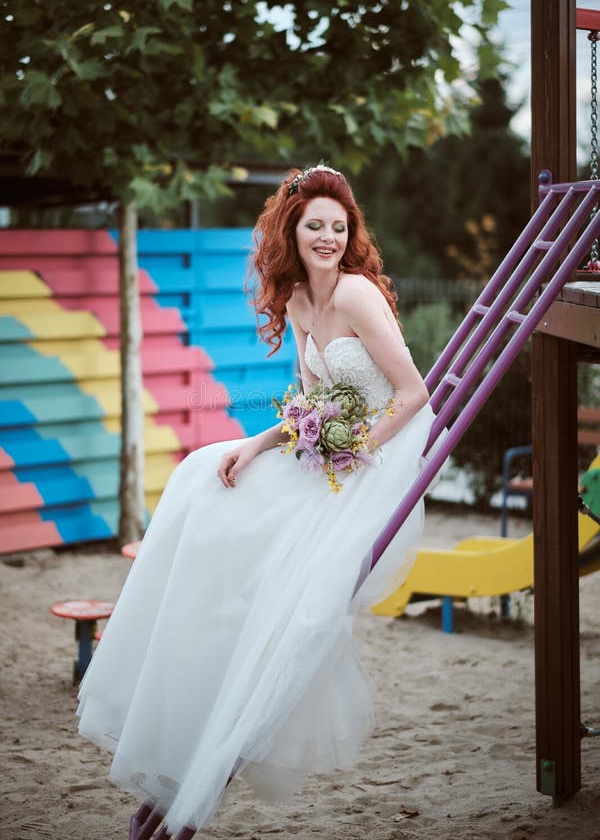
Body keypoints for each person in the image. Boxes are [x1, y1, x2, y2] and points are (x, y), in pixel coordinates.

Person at [77, 165, 436, 837]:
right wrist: (258, 444)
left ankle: (206, 752)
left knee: (279, 595)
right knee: (203, 475)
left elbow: (415, 394)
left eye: (339, 227)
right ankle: (180, 700)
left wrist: (358, 447)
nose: (328, 238)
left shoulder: (357, 295)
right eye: (314, 226)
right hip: (329, 453)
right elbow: (311, 401)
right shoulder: (299, 301)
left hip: (378, 459)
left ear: (350, 234)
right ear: (292, 233)